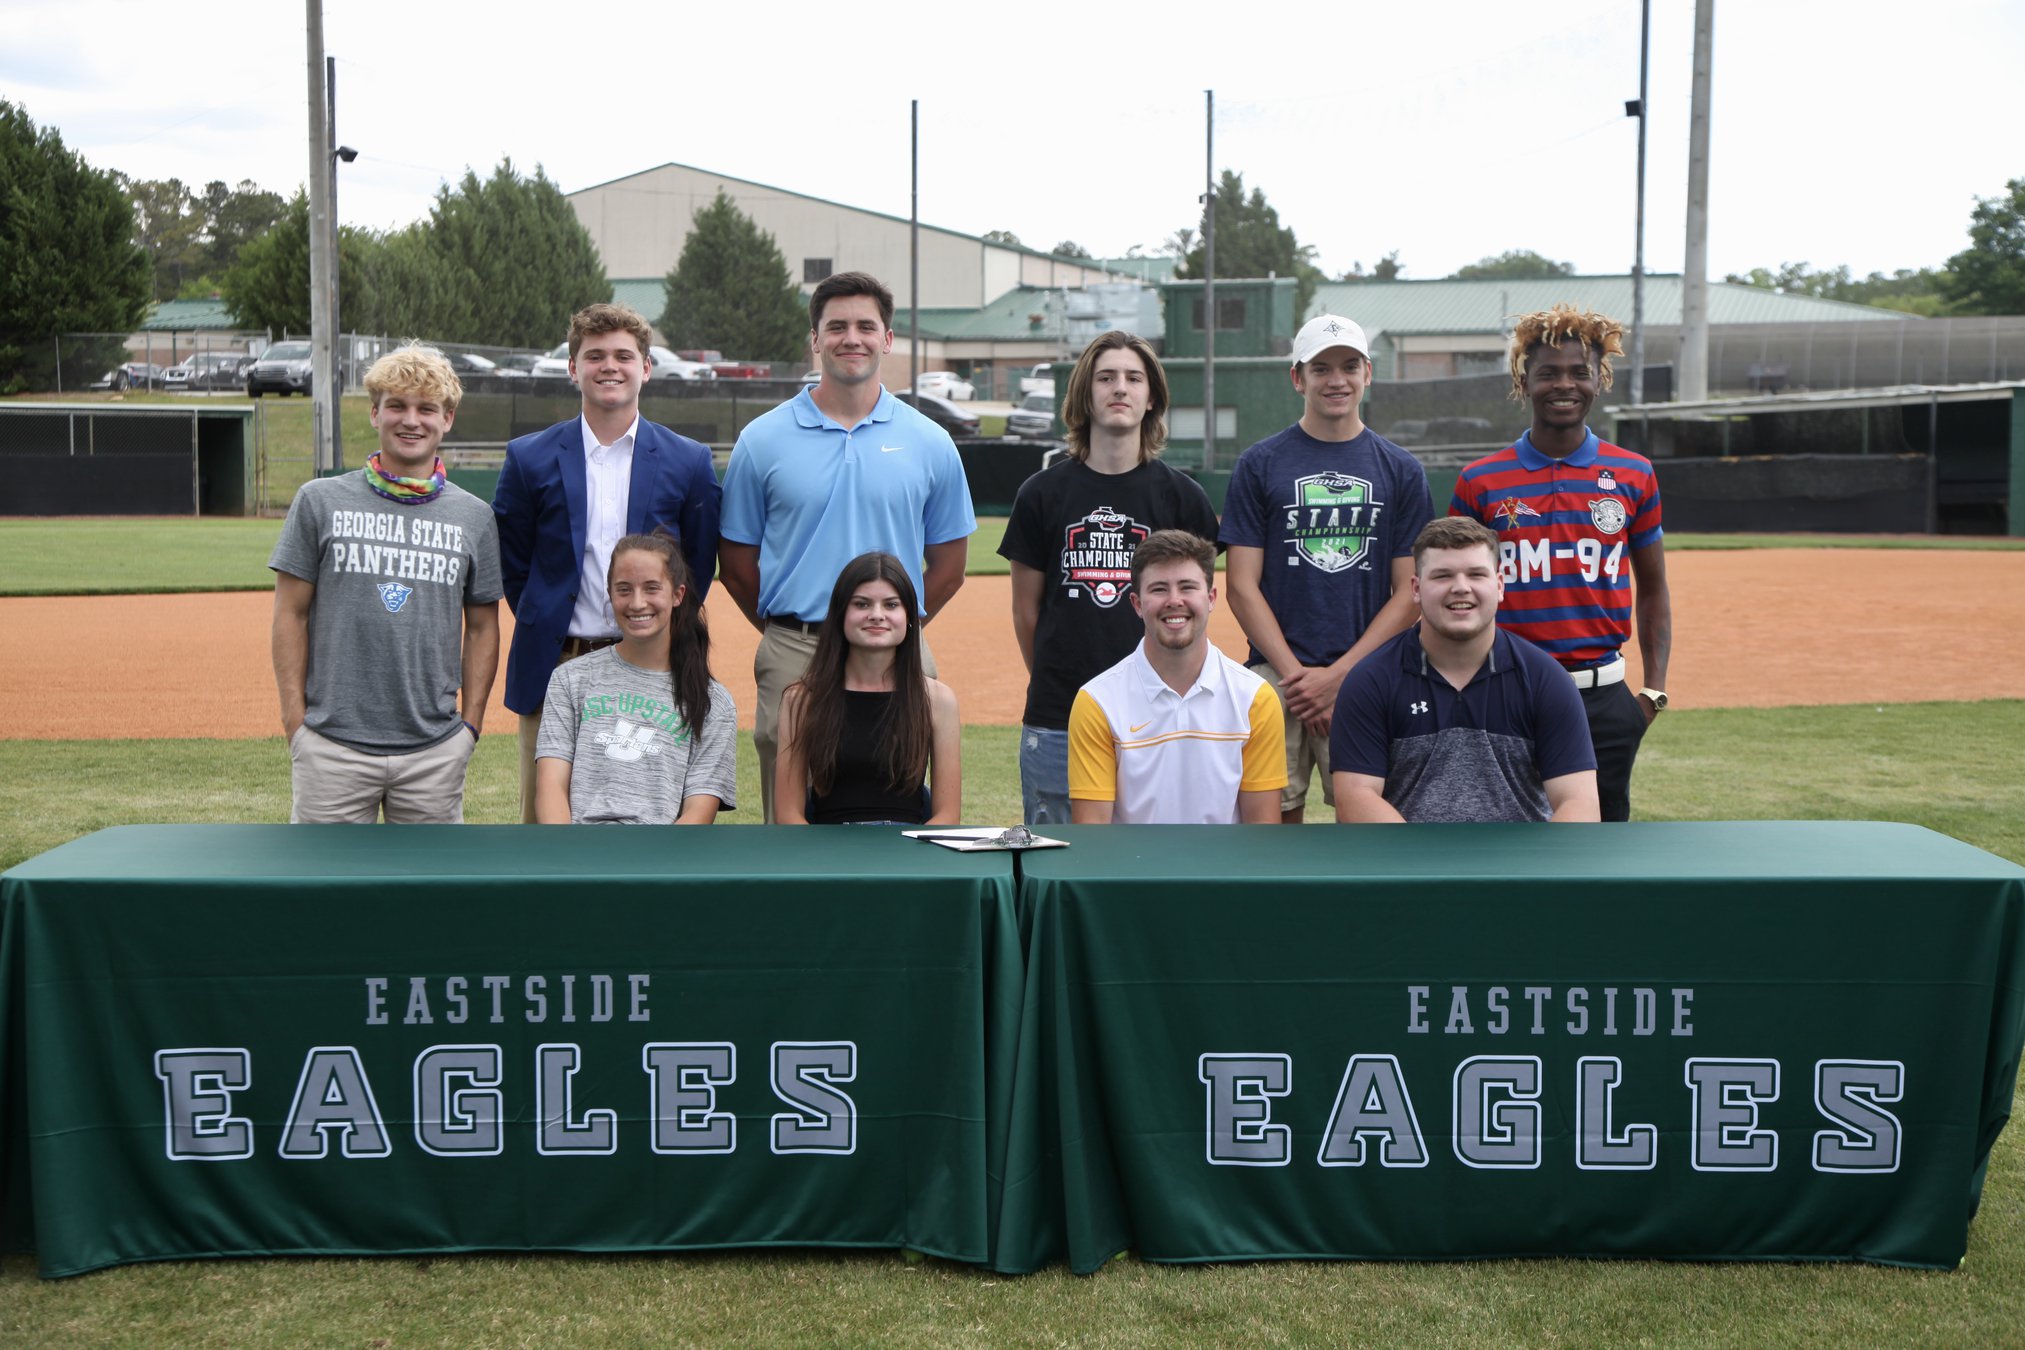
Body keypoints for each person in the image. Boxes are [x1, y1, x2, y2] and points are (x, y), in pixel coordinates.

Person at [717, 271, 976, 821]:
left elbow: (950, 565)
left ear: (887, 339)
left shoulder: (930, 440)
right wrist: (792, 630)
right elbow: (736, 566)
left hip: (896, 650)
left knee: (900, 794)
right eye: (836, 326)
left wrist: (895, 621)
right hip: (796, 645)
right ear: (815, 338)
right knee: (786, 819)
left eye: (865, 326)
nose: (850, 338)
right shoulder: (762, 440)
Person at [492, 303, 720, 823]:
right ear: (573, 368)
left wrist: (653, 633)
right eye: (594, 356)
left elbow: (698, 567)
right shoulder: (529, 458)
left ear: (646, 367)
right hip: (558, 665)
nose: (609, 366)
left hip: (651, 664)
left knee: (648, 811)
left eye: (623, 355)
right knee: (546, 820)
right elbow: (514, 565)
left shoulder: (688, 461)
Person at [1449, 304, 1672, 821]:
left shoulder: (1634, 473)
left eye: (1579, 372)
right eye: (1548, 373)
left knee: (1601, 848)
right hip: (1503, 689)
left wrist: (1652, 692)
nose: (1564, 384)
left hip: (1604, 697)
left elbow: (1655, 588)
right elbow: (1456, 593)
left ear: (1600, 379)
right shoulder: (1481, 481)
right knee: (1502, 835)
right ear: (1523, 381)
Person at [269, 344, 501, 823]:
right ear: (375, 413)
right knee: (323, 891)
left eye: (426, 408)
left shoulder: (475, 517)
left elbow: (482, 626)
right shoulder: (319, 501)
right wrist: (296, 724)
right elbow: (289, 613)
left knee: (427, 896)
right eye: (396, 405)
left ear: (447, 419)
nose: (410, 420)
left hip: (433, 750)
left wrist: (470, 727)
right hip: (332, 745)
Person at [998, 331, 1219, 826]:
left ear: (1151, 398)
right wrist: (1065, 685)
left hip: (1163, 717)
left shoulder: (1183, 498)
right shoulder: (1041, 493)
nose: (1120, 388)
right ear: (1085, 394)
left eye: (1133, 378)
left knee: (1158, 865)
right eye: (1106, 377)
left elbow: (1197, 607)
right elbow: (1025, 611)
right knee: (1058, 872)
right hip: (1061, 717)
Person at [1220, 313, 1433, 824]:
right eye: (1321, 368)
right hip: (1277, 677)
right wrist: (1300, 681)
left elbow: (1409, 592)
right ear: (1298, 377)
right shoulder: (1260, 463)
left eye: (1348, 366)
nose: (1336, 380)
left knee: (1367, 832)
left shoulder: (1400, 469)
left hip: (1370, 675)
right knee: (1272, 834)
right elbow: (1241, 586)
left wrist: (1340, 677)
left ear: (1368, 373)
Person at [1332, 517, 1600, 823]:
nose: (1461, 588)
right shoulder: (1371, 681)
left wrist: (1529, 869)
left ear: (1499, 585)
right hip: (1407, 865)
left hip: (1520, 866)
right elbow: (1355, 798)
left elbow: (1579, 802)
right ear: (1416, 588)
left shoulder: (1545, 679)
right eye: (1442, 576)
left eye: (1476, 574)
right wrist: (1427, 867)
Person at [1068, 530, 1284, 825]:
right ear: (1137, 604)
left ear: (1211, 598)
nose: (1174, 600)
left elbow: (1262, 833)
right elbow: (1094, 837)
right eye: (1158, 589)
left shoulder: (1254, 697)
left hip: (1225, 871)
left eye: (1187, 587)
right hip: (1130, 871)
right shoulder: (1098, 701)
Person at [533, 533, 737, 824]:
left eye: (652, 588)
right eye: (624, 590)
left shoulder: (714, 702)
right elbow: (551, 786)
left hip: (660, 861)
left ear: (677, 594)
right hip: (577, 856)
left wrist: (654, 867)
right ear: (610, 593)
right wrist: (570, 858)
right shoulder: (570, 679)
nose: (637, 603)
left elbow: (698, 813)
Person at [775, 552, 961, 826]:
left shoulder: (938, 699)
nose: (877, 615)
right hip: (829, 853)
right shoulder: (801, 700)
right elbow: (789, 815)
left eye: (891, 605)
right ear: (840, 615)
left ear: (909, 616)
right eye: (862, 604)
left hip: (908, 854)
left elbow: (947, 816)